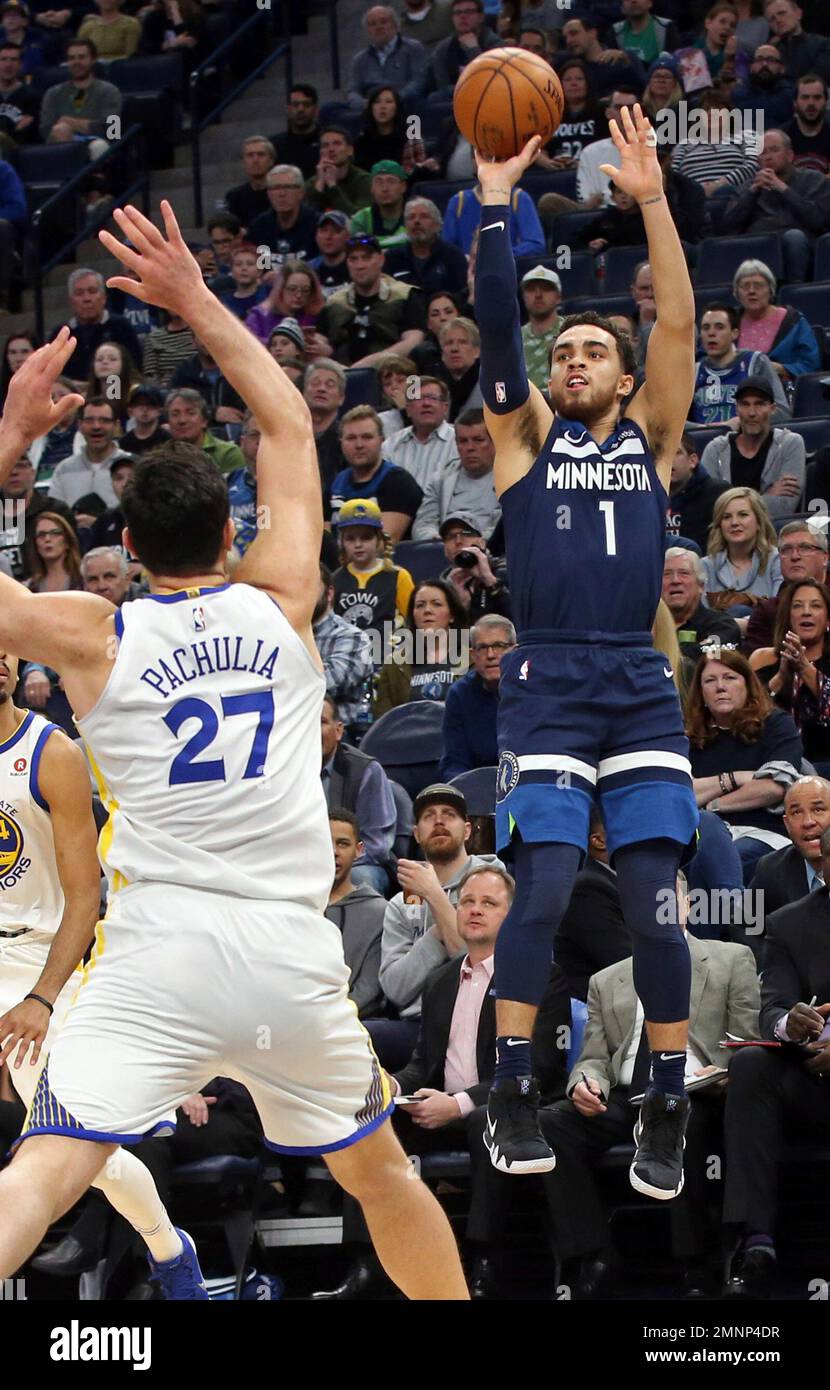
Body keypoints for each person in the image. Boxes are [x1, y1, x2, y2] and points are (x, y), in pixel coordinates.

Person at [0, 210, 469, 1300]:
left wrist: (13, 435)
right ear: (229, 532)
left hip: (156, 955)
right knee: (384, 1174)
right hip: (284, 955)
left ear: (123, 548)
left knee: (46, 1169)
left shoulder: (93, 633)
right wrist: (196, 299)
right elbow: (291, 429)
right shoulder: (284, 596)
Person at [473, 107, 701, 1192]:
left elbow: (678, 332)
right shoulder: (523, 443)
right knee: (547, 884)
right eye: (559, 349)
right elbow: (488, 329)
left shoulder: (653, 438)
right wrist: (488, 205)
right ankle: (508, 1084)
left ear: (620, 377)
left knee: (656, 899)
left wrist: (652, 199)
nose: (570, 358)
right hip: (549, 675)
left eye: (589, 350)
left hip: (637, 681)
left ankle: (664, 1096)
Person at [0, 647, 207, 1298]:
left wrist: (42, 995)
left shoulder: (50, 751)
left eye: (3, 649)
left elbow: (85, 898)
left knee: (81, 1146)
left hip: (40, 957)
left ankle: (169, 1249)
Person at [314, 859, 571, 1301]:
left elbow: (540, 1069)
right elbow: (422, 1064)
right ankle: (366, 1264)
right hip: (439, 1106)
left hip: (503, 1106)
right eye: (467, 901)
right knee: (367, 1123)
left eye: (489, 903)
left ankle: (482, 1262)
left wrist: (459, 1104)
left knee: (485, 1119)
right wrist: (392, 1089)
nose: (474, 910)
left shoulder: (540, 977)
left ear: (511, 916)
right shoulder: (440, 981)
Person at [515, 875, 760, 1300]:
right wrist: (584, 1081)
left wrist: (717, 1075)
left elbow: (745, 1041)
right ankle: (595, 1253)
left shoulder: (731, 959)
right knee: (551, 1124)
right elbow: (593, 1054)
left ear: (686, 906)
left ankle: (694, 1265)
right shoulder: (606, 980)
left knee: (682, 1123)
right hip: (625, 1095)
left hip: (694, 1092)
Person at [720, 821, 830, 1299]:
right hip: (814, 1083)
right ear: (822, 865)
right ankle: (757, 1242)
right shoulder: (788, 922)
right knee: (750, 1067)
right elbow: (772, 1010)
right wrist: (792, 1022)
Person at [374, 784, 503, 1067]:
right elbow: (396, 989)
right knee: (359, 1039)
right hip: (423, 1027)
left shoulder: (495, 881)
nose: (440, 821)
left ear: (467, 830)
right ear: (417, 834)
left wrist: (433, 895)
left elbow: (480, 961)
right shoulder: (400, 903)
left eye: (449, 814)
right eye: (429, 816)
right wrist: (438, 933)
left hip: (484, 1021)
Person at [686, 647, 803, 878]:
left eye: (730, 677)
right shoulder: (689, 738)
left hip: (763, 834)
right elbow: (686, 792)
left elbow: (774, 787)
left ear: (748, 685)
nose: (720, 686)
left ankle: (727, 914)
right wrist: (734, 778)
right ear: (701, 693)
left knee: (726, 860)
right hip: (706, 836)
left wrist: (713, 804)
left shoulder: (776, 725)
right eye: (710, 680)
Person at [721, 128, 830, 282]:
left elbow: (819, 221)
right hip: (758, 250)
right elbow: (727, 228)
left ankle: (793, 294)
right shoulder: (747, 187)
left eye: (774, 150)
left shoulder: (813, 180)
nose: (768, 157)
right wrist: (752, 192)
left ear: (790, 156)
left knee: (795, 238)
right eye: (763, 153)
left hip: (802, 247)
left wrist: (783, 189)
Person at [553, 805, 632, 1002]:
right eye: (625, 824)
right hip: (595, 1017)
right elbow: (626, 962)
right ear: (599, 840)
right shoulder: (587, 888)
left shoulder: (612, 879)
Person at [750, 578, 830, 769]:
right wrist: (780, 679)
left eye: (816, 606)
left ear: (828, 620)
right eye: (797, 606)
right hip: (772, 767)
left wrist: (804, 668)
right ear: (788, 618)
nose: (806, 612)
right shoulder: (765, 663)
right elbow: (747, 717)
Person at [700, 377, 806, 519]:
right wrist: (768, 495)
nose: (752, 413)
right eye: (745, 404)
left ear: (772, 409)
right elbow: (707, 508)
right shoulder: (715, 449)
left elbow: (784, 507)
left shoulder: (791, 444)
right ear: (737, 408)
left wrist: (728, 506)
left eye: (759, 404)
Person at [321, 695, 396, 893]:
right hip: (303, 864)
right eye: (305, 722)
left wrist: (333, 862)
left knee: (361, 879)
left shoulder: (365, 770)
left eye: (321, 722)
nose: (311, 731)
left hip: (356, 864)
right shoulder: (287, 771)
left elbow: (377, 845)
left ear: (338, 731)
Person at [317, 234, 426, 369]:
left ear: (381, 259)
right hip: (340, 377)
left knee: (413, 383)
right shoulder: (335, 302)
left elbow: (414, 341)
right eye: (353, 259)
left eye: (366, 258)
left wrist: (371, 363)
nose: (359, 265)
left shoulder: (404, 295)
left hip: (392, 374)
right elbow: (319, 341)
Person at [373, 578, 468, 715]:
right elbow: (384, 722)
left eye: (437, 604)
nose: (427, 610)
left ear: (452, 615)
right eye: (420, 605)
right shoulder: (395, 665)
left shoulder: (472, 659)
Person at [327, 405, 423, 541]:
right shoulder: (335, 484)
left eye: (367, 437)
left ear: (381, 440)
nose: (359, 445)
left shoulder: (398, 482)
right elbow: (323, 542)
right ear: (341, 442)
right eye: (351, 438)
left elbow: (384, 544)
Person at [331, 497, 413, 653]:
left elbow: (413, 621)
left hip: (388, 657)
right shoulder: (335, 580)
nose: (358, 544)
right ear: (342, 542)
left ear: (379, 539)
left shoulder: (398, 576)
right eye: (350, 538)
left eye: (366, 537)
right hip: (349, 656)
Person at [326, 809, 386, 1020]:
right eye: (325, 841)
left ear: (359, 850)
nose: (333, 851)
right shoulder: (292, 907)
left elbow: (370, 989)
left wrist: (327, 1019)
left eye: (343, 844)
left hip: (351, 1024)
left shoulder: (378, 912)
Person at [440, 615, 515, 779]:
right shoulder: (459, 695)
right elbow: (454, 762)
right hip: (478, 789)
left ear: (515, 650)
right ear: (473, 655)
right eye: (482, 648)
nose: (490, 655)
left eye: (499, 646)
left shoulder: (534, 690)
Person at [690, 304, 790, 427]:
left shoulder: (756, 362)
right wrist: (702, 429)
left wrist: (743, 421)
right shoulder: (693, 371)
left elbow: (783, 413)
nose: (711, 333)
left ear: (734, 333)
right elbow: (672, 423)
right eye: (706, 328)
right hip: (702, 443)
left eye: (719, 327)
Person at [412, 407, 500, 542]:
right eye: (463, 441)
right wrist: (445, 542)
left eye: (478, 440)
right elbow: (422, 526)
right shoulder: (441, 479)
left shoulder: (512, 479)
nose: (470, 448)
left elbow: (507, 528)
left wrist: (471, 542)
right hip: (444, 551)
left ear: (494, 441)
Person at [749, 773, 830, 916]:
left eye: (818, 810)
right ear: (786, 824)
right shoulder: (772, 869)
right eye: (797, 812)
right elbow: (743, 925)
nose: (808, 822)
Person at [743, 518, 827, 652]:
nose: (795, 556)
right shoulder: (767, 611)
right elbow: (755, 668)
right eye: (786, 550)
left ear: (825, 558)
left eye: (805, 548)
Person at [49, 267, 143, 387]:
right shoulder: (61, 334)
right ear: (71, 301)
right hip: (72, 397)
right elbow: (53, 377)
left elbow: (135, 372)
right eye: (79, 293)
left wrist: (94, 388)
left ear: (103, 298)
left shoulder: (122, 327)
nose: (87, 299)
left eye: (92, 291)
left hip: (115, 392)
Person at [733, 256, 820, 378]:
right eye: (745, 286)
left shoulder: (793, 321)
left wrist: (780, 369)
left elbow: (811, 365)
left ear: (770, 290)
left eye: (758, 285)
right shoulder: (728, 321)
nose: (751, 291)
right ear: (737, 292)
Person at [313, 564, 376, 730]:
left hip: (342, 740)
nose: (303, 592)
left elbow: (328, 684)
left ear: (330, 594)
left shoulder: (352, 637)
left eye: (310, 584)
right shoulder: (284, 634)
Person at [702, 485, 783, 610]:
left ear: (759, 522)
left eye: (743, 515)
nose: (734, 522)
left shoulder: (777, 561)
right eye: (726, 517)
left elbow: (778, 612)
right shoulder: (705, 566)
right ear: (719, 524)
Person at [39, 36, 121, 159]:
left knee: (98, 146)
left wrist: (69, 122)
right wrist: (82, 127)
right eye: (72, 58)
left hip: (98, 147)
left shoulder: (110, 91)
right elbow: (45, 129)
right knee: (61, 130)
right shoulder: (52, 93)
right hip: (58, 148)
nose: (76, 62)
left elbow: (113, 131)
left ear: (93, 59)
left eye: (82, 57)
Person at [669, 86, 759, 198]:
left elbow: (753, 164)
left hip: (734, 198)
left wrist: (719, 184)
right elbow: (672, 175)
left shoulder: (747, 135)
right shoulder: (684, 144)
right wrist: (697, 191)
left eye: (718, 109)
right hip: (693, 200)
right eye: (706, 109)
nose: (712, 113)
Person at [0, 451, 74, 579]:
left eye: (20, 466)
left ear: (33, 473)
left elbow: (74, 557)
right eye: (8, 466)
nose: (14, 473)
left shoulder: (55, 510)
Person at [663, 547, 742, 667]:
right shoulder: (645, 626)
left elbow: (711, 660)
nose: (675, 580)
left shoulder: (723, 625)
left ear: (701, 586)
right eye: (667, 574)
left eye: (684, 573)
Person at [48, 396, 128, 509]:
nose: (96, 426)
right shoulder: (64, 469)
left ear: (116, 425)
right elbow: (56, 514)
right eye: (89, 420)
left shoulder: (130, 466)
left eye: (104, 420)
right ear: (79, 425)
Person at [383, 198, 468, 300]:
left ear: (437, 225)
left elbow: (462, 295)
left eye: (424, 216)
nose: (417, 221)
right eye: (411, 217)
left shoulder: (453, 256)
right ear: (405, 225)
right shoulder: (392, 258)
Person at [384, 376, 458, 491]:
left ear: (445, 407)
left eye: (433, 398)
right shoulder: (391, 444)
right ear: (408, 409)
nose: (426, 403)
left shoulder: (460, 441)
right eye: (418, 398)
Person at [347, 5, 428, 108]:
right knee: (330, 108)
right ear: (368, 31)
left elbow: (419, 81)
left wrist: (392, 100)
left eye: (383, 21)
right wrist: (366, 104)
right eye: (372, 24)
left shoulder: (414, 48)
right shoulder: (359, 59)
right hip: (370, 107)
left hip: (403, 102)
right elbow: (352, 91)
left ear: (396, 26)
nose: (378, 27)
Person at [442, 178, 545, 257]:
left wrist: (500, 256)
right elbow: (446, 250)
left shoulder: (519, 198)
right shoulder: (458, 201)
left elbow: (536, 245)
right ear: (474, 162)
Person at [439, 510, 512, 621]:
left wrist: (490, 581)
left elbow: (520, 619)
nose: (458, 541)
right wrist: (463, 607)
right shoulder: (444, 586)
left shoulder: (504, 571)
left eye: (466, 534)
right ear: (445, 550)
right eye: (450, 536)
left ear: (482, 543)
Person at [575, 88, 642, 208]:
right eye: (618, 107)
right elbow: (586, 200)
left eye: (630, 108)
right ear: (608, 113)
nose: (624, 113)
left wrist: (603, 196)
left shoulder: (651, 149)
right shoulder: (590, 152)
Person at [557, 13, 647, 97]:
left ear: (592, 33)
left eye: (574, 33)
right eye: (566, 37)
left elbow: (644, 89)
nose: (569, 40)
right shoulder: (568, 65)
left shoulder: (622, 59)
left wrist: (627, 62)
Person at [665, 434, 729, 551]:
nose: (668, 459)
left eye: (676, 452)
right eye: (662, 453)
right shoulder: (645, 498)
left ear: (692, 461)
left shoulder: (717, 493)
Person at [246, 165, 320, 266]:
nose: (281, 193)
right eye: (276, 188)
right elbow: (261, 266)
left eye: (288, 187)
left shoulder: (317, 223)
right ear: (268, 194)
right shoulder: (259, 226)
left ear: (301, 192)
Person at [164, 388, 245, 475]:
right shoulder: (160, 457)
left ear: (204, 421)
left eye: (191, 413)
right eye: (175, 414)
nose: (182, 420)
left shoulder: (229, 454)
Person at [428, 0, 500, 94]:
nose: (462, 16)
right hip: (454, 97)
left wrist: (473, 50)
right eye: (457, 13)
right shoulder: (443, 48)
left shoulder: (495, 45)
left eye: (469, 12)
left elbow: (491, 81)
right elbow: (443, 86)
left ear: (481, 17)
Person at [304, 126, 373, 220]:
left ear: (350, 150)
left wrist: (332, 186)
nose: (331, 149)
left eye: (337, 143)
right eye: (325, 145)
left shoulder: (364, 180)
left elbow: (358, 219)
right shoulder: (312, 182)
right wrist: (320, 183)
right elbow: (304, 218)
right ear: (320, 152)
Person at [304, 357, 346, 488]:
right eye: (315, 383)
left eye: (330, 385)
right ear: (304, 393)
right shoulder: (289, 436)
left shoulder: (346, 439)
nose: (321, 389)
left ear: (341, 398)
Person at [520, 266, 564, 393]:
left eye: (546, 289)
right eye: (531, 289)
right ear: (523, 297)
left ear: (558, 296)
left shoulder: (572, 332)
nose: (538, 295)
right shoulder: (513, 340)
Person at [764, 0, 830, 83]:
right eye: (772, 19)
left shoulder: (823, 45)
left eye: (782, 13)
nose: (778, 20)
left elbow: (814, 82)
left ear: (798, 14)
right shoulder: (769, 55)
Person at [349, 160, 410, 251]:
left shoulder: (415, 215)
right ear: (371, 188)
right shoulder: (361, 220)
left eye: (391, 181)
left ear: (403, 186)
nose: (384, 188)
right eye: (378, 182)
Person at [731, 42, 795, 128]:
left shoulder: (791, 96)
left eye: (771, 60)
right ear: (751, 67)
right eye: (759, 60)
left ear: (782, 68)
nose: (764, 64)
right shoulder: (737, 95)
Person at [269, 84, 321, 181]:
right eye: (295, 105)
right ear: (288, 109)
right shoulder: (274, 146)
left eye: (307, 105)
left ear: (316, 109)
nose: (301, 109)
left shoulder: (328, 143)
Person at [223, 135, 275, 228]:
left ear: (271, 160)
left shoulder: (281, 193)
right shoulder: (234, 197)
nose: (255, 160)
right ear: (244, 161)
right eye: (250, 155)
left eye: (261, 154)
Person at [784, 70, 830, 174]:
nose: (811, 103)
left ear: (826, 101)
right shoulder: (781, 137)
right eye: (805, 97)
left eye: (817, 97)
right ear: (795, 103)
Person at [437, 316, 483, 421]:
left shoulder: (493, 384)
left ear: (477, 351)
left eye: (462, 342)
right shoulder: (437, 390)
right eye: (449, 343)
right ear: (442, 354)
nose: (454, 349)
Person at [87, 453, 134, 554]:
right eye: (118, 478)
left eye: (132, 477)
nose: (125, 484)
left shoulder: (158, 518)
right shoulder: (104, 521)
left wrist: (142, 568)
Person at [354, 86, 407, 172]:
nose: (382, 107)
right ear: (371, 108)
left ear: (397, 107)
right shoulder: (362, 141)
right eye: (377, 102)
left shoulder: (409, 138)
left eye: (388, 102)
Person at [25, 510, 82, 592]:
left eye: (55, 533)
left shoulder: (83, 579)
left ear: (67, 541)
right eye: (41, 535)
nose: (47, 539)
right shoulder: (31, 587)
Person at [610, 0, 679, 65]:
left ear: (650, 3)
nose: (633, 1)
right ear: (622, 8)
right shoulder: (615, 31)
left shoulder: (666, 26)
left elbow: (675, 58)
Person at [0, 41, 39, 152]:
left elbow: (28, 135)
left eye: (13, 60)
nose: (8, 65)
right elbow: (18, 128)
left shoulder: (33, 97)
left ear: (21, 64)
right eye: (3, 59)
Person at [140, 310, 195, 388]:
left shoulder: (199, 333)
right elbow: (150, 375)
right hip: (165, 392)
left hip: (196, 387)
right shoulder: (154, 337)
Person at [218, 243, 267, 322]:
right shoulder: (224, 302)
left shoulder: (267, 296)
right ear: (231, 271)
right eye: (238, 264)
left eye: (250, 264)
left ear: (260, 271)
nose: (244, 268)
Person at [309, 209, 351, 298]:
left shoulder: (355, 268)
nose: (328, 236)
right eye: (324, 230)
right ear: (316, 236)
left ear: (347, 236)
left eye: (336, 231)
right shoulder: (309, 270)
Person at [123, 382, 167, 455]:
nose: (145, 409)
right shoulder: (124, 442)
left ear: (160, 411)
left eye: (150, 404)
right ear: (130, 411)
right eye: (139, 404)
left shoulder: (167, 440)